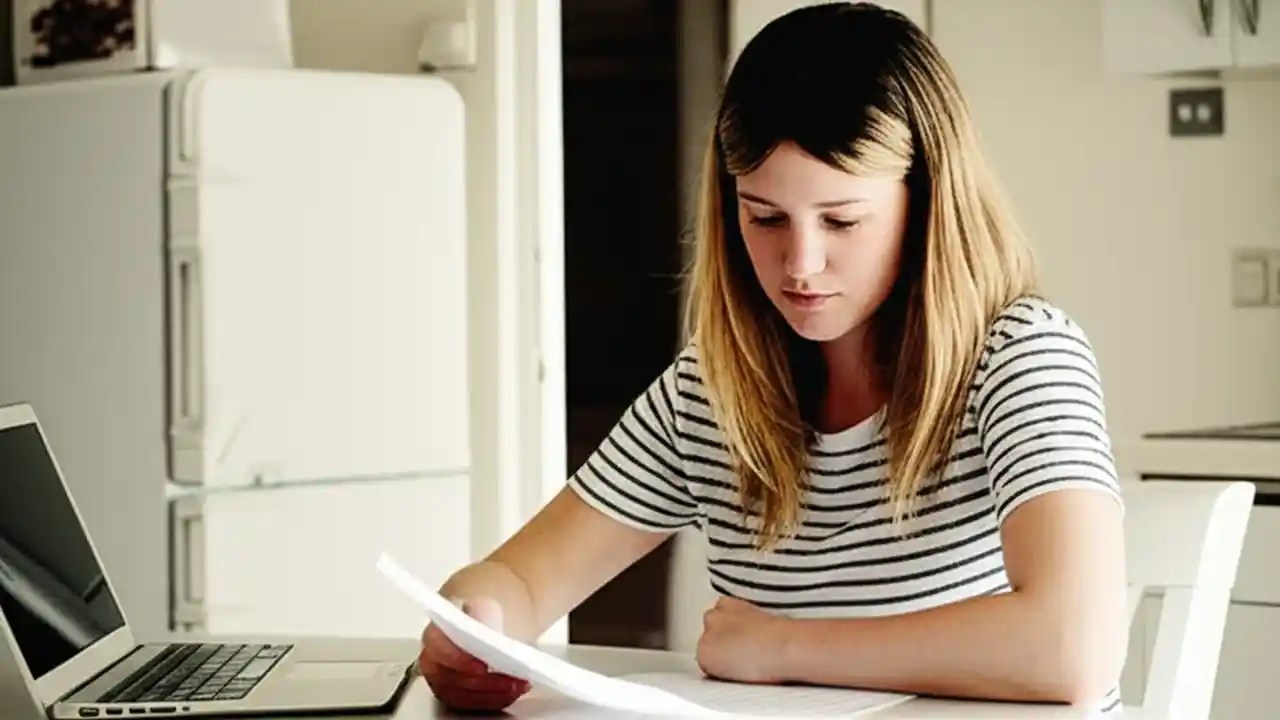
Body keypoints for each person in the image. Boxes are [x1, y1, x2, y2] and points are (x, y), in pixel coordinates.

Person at [418, 2, 1128, 714]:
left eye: (842, 220)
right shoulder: (711, 392)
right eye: (764, 217)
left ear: (928, 203)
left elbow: (1073, 648)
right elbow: (521, 579)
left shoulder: (1022, 356)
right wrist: (472, 622)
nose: (801, 264)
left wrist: (781, 646)